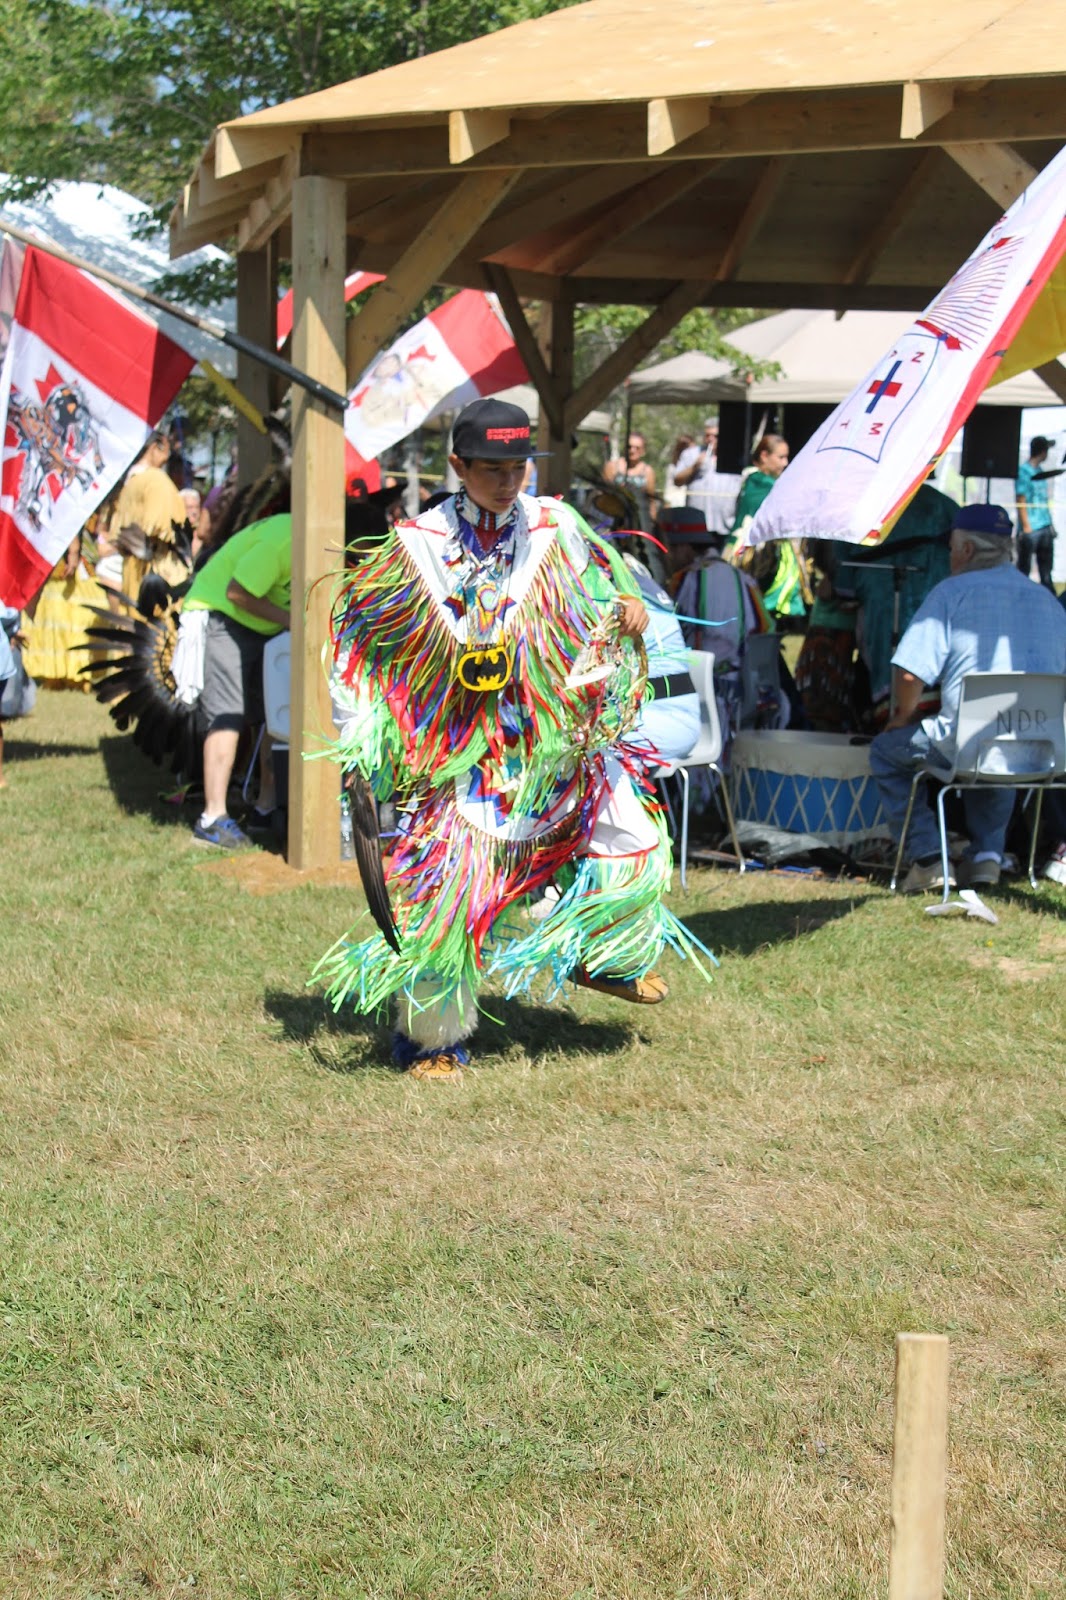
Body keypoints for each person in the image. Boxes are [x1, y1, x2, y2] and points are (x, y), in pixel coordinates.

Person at [322, 398, 711, 1084]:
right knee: (450, 890)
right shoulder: (416, 546)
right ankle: (432, 1042)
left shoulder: (555, 525)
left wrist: (624, 610)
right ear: (458, 466)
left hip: (548, 731)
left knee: (624, 824)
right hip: (461, 742)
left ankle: (606, 952)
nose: (509, 482)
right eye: (493, 469)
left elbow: (596, 586)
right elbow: (358, 644)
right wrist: (362, 741)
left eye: (519, 467)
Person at [869, 503, 1066, 894]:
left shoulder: (951, 593)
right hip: (1043, 751)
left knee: (887, 751)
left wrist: (903, 714)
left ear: (966, 551)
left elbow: (909, 672)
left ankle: (928, 859)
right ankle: (986, 857)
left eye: (951, 549)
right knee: (997, 743)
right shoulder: (1045, 598)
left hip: (968, 749)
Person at [182, 508, 292, 849]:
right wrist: (294, 620)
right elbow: (238, 593)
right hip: (224, 617)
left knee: (273, 718)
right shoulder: (282, 542)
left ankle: (264, 807)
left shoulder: (317, 544)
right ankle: (212, 819)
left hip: (262, 626)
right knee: (228, 716)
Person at [728, 434, 810, 626]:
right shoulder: (757, 482)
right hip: (754, 555)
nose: (786, 463)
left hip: (771, 554)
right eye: (780, 457)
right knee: (756, 607)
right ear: (764, 456)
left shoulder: (765, 482)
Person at [108, 431, 192, 605]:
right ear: (156, 446)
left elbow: (118, 535)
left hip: (132, 574)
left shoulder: (128, 484)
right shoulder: (155, 479)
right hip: (158, 577)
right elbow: (164, 528)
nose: (168, 458)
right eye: (167, 450)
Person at [673, 418, 738, 536]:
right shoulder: (691, 454)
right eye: (707, 435)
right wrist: (695, 466)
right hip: (696, 525)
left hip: (724, 526)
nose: (710, 440)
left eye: (715, 436)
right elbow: (677, 480)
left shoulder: (735, 457)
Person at [1015, 435, 1056, 591]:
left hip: (1043, 526)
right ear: (1042, 451)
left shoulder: (1040, 471)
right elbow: (1021, 498)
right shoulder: (1024, 472)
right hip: (1031, 528)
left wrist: (1050, 526)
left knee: (1046, 572)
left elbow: (1043, 501)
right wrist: (1026, 527)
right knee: (1023, 570)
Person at [604, 432, 657, 534]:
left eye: (637, 448)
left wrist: (652, 523)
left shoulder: (648, 471)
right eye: (629, 447)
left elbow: (651, 500)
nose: (632, 451)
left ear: (643, 451)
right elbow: (604, 494)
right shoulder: (612, 467)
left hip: (638, 521)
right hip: (613, 520)